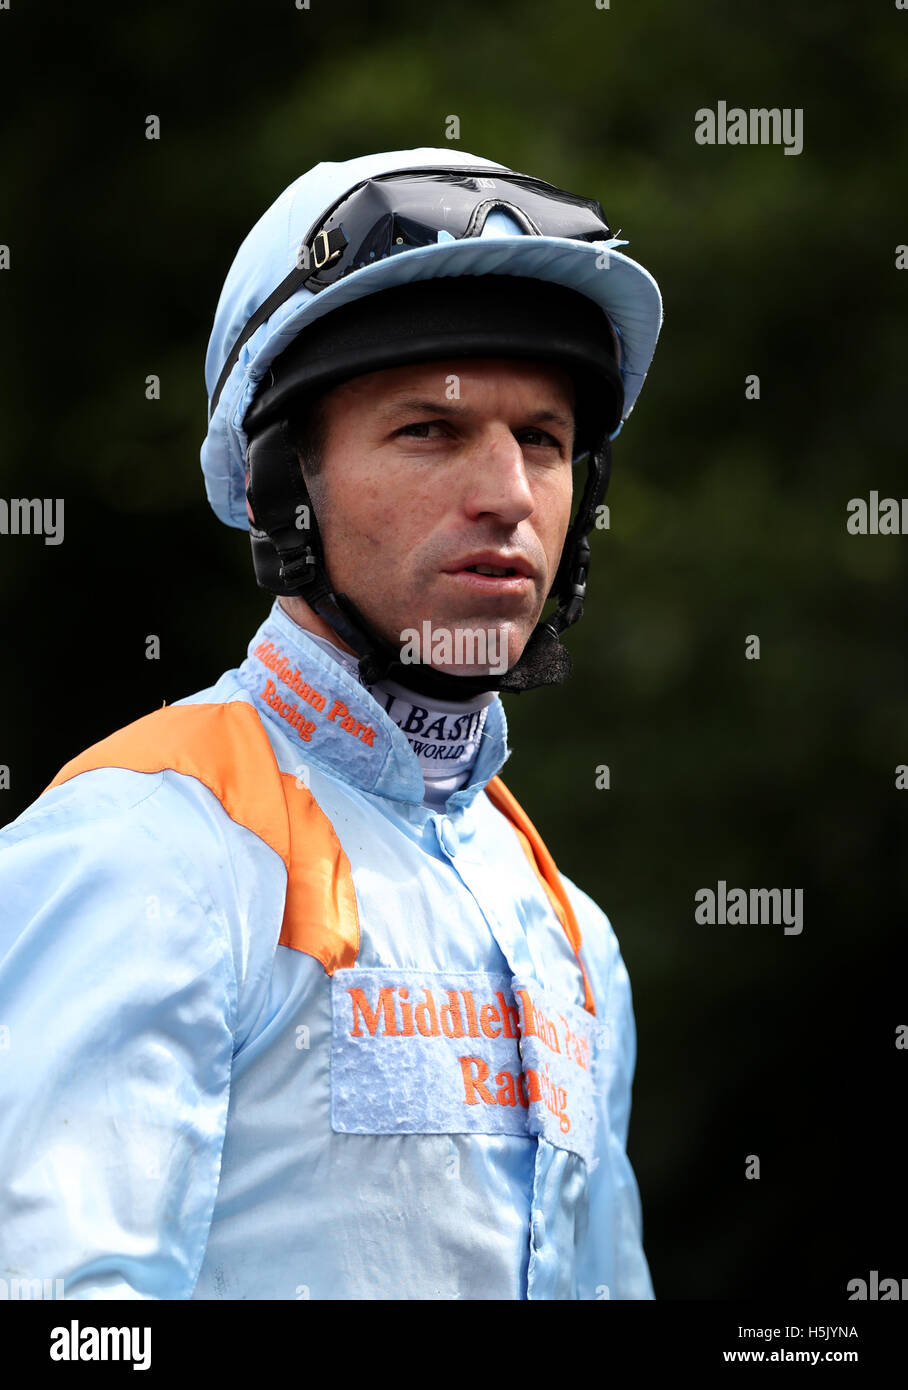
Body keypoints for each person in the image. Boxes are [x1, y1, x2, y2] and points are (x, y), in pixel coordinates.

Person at [0, 146, 663, 1300]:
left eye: (543, 439)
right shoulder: (137, 852)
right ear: (280, 488)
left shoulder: (570, 931)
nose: (508, 493)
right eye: (429, 431)